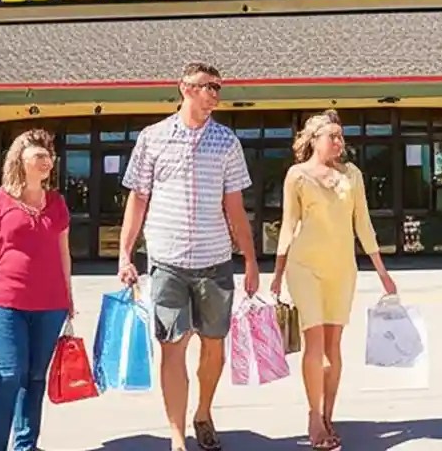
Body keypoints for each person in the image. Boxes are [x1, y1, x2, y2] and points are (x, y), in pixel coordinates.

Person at [116, 62, 261, 451]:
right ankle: (177, 435)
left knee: (213, 346)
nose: (214, 94)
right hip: (167, 261)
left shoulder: (227, 141)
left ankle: (203, 413)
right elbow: (138, 198)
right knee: (173, 345)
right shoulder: (152, 138)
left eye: (218, 88)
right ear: (184, 88)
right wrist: (125, 253)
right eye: (206, 86)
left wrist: (250, 260)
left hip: (215, 261)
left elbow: (235, 207)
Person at [270, 110, 397, 451]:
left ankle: (329, 414)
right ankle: (314, 417)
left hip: (342, 269)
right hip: (304, 267)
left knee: (333, 347)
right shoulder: (297, 175)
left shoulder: (352, 175)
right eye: (333, 137)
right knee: (314, 345)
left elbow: (363, 224)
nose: (340, 142)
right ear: (315, 140)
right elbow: (288, 225)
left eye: (341, 137)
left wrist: (382, 273)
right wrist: (277, 273)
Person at [0, 129, 74, 451]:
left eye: (50, 156)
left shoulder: (57, 203)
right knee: (8, 375)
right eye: (39, 156)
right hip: (3, 304)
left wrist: (69, 297)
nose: (47, 162)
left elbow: (63, 253)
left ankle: (25, 445)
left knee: (35, 377)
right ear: (20, 159)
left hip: (50, 306)